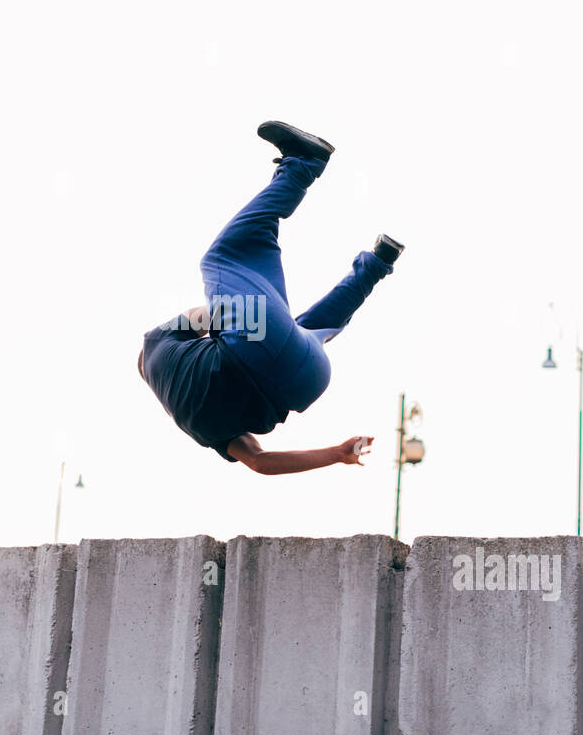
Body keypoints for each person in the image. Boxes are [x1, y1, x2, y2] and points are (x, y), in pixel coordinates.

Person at [138, 121, 404, 475]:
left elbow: (261, 463)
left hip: (308, 379)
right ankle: (303, 164)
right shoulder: (158, 342)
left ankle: (378, 263)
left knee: (311, 330)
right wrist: (252, 314)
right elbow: (215, 315)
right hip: (255, 341)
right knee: (223, 257)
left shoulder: (203, 431)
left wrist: (338, 453)